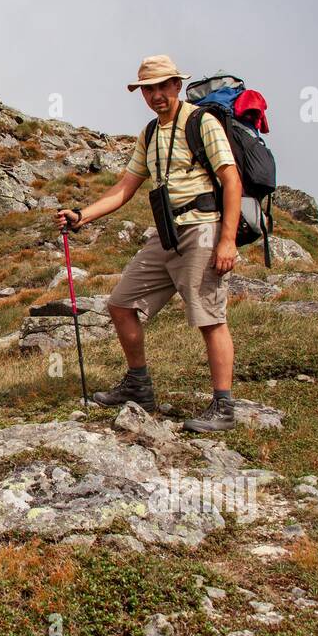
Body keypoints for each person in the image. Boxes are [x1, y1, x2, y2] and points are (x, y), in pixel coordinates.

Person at [56, 54, 242, 432]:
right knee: (121, 304)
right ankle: (138, 386)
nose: (156, 95)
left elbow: (231, 180)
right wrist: (83, 215)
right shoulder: (151, 133)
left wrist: (227, 241)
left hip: (203, 228)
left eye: (162, 86)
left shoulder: (201, 122)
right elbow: (126, 188)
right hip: (168, 233)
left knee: (209, 318)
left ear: (177, 85)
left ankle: (223, 406)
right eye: (148, 89)